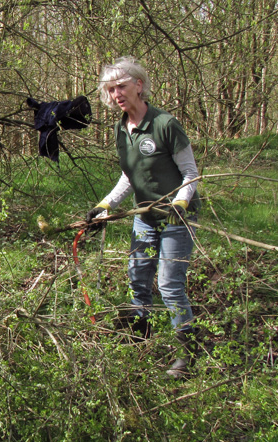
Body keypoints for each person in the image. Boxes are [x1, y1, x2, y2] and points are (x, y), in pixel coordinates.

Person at [85, 56, 201, 379]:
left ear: (139, 85)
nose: (116, 94)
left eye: (121, 86)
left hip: (177, 219)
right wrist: (105, 206)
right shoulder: (122, 130)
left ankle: (186, 354)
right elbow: (129, 176)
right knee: (138, 280)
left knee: (169, 285)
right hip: (144, 218)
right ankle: (141, 341)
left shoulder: (165, 124)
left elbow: (191, 174)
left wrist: (179, 204)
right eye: (110, 90)